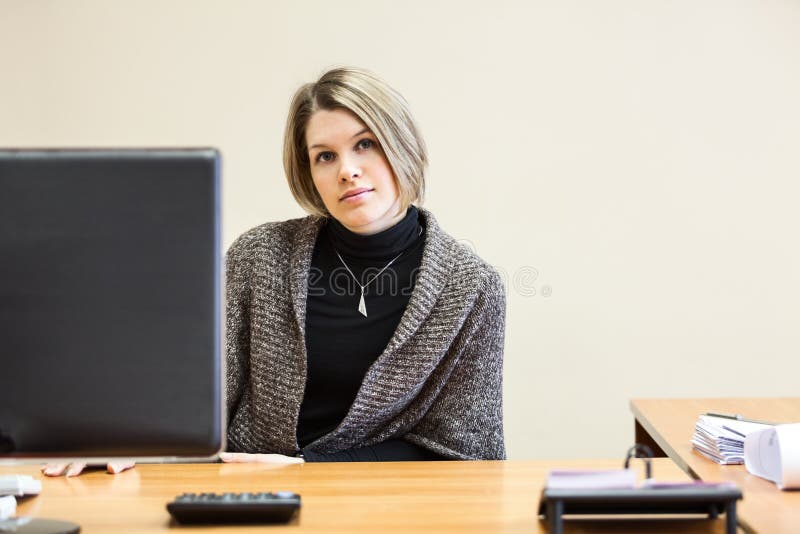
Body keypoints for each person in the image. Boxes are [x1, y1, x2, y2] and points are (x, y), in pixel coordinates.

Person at [44, 66, 506, 475]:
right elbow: (191, 389)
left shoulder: (471, 288)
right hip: (245, 496)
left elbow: (467, 453)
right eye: (325, 156)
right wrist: (119, 435)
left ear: (401, 145)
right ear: (309, 174)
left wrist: (310, 469)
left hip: (382, 504)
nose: (347, 170)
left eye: (365, 144)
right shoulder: (260, 254)